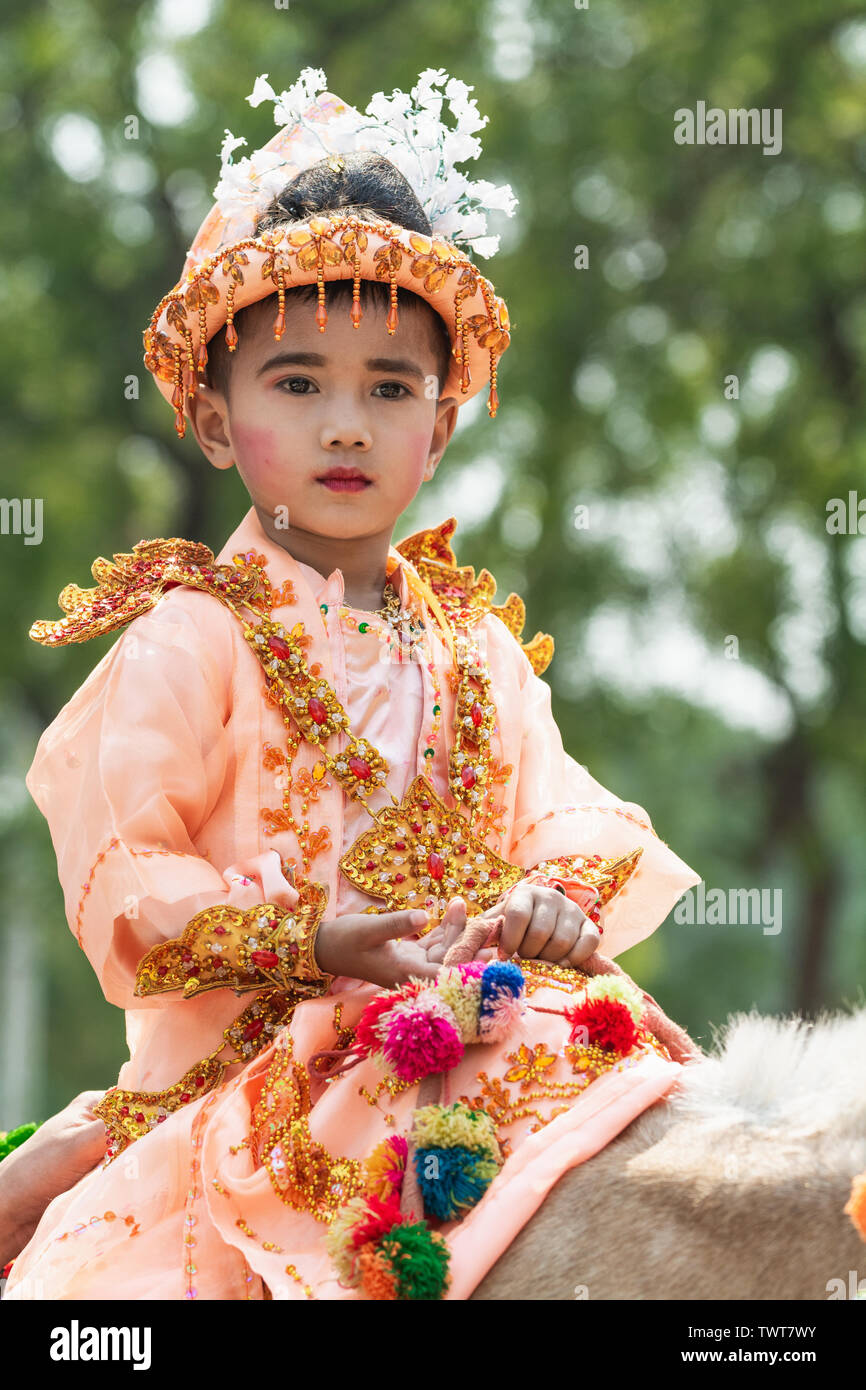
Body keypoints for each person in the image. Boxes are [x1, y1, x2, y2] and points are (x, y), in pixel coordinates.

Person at [3, 69, 700, 1301]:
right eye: (296, 381)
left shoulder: (475, 642)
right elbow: (124, 878)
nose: (345, 425)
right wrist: (306, 938)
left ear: (436, 429)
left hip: (472, 1028)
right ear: (214, 422)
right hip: (235, 1082)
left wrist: (545, 900)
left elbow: (571, 813)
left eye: (388, 388)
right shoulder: (191, 636)